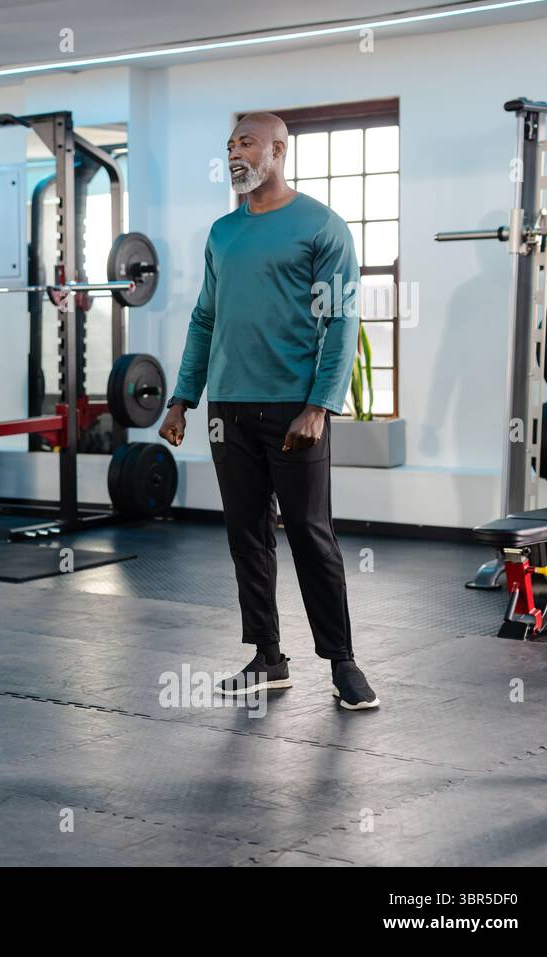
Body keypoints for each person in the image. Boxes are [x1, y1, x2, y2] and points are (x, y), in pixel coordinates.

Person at [157, 112, 379, 710]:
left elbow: (341, 320)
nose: (234, 152)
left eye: (246, 143)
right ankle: (266, 656)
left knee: (311, 535)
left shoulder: (321, 227)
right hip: (228, 406)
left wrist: (321, 406)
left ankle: (343, 662)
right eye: (229, 143)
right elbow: (205, 318)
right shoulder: (222, 232)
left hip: (293, 408)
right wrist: (183, 397)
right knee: (246, 536)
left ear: (278, 150)